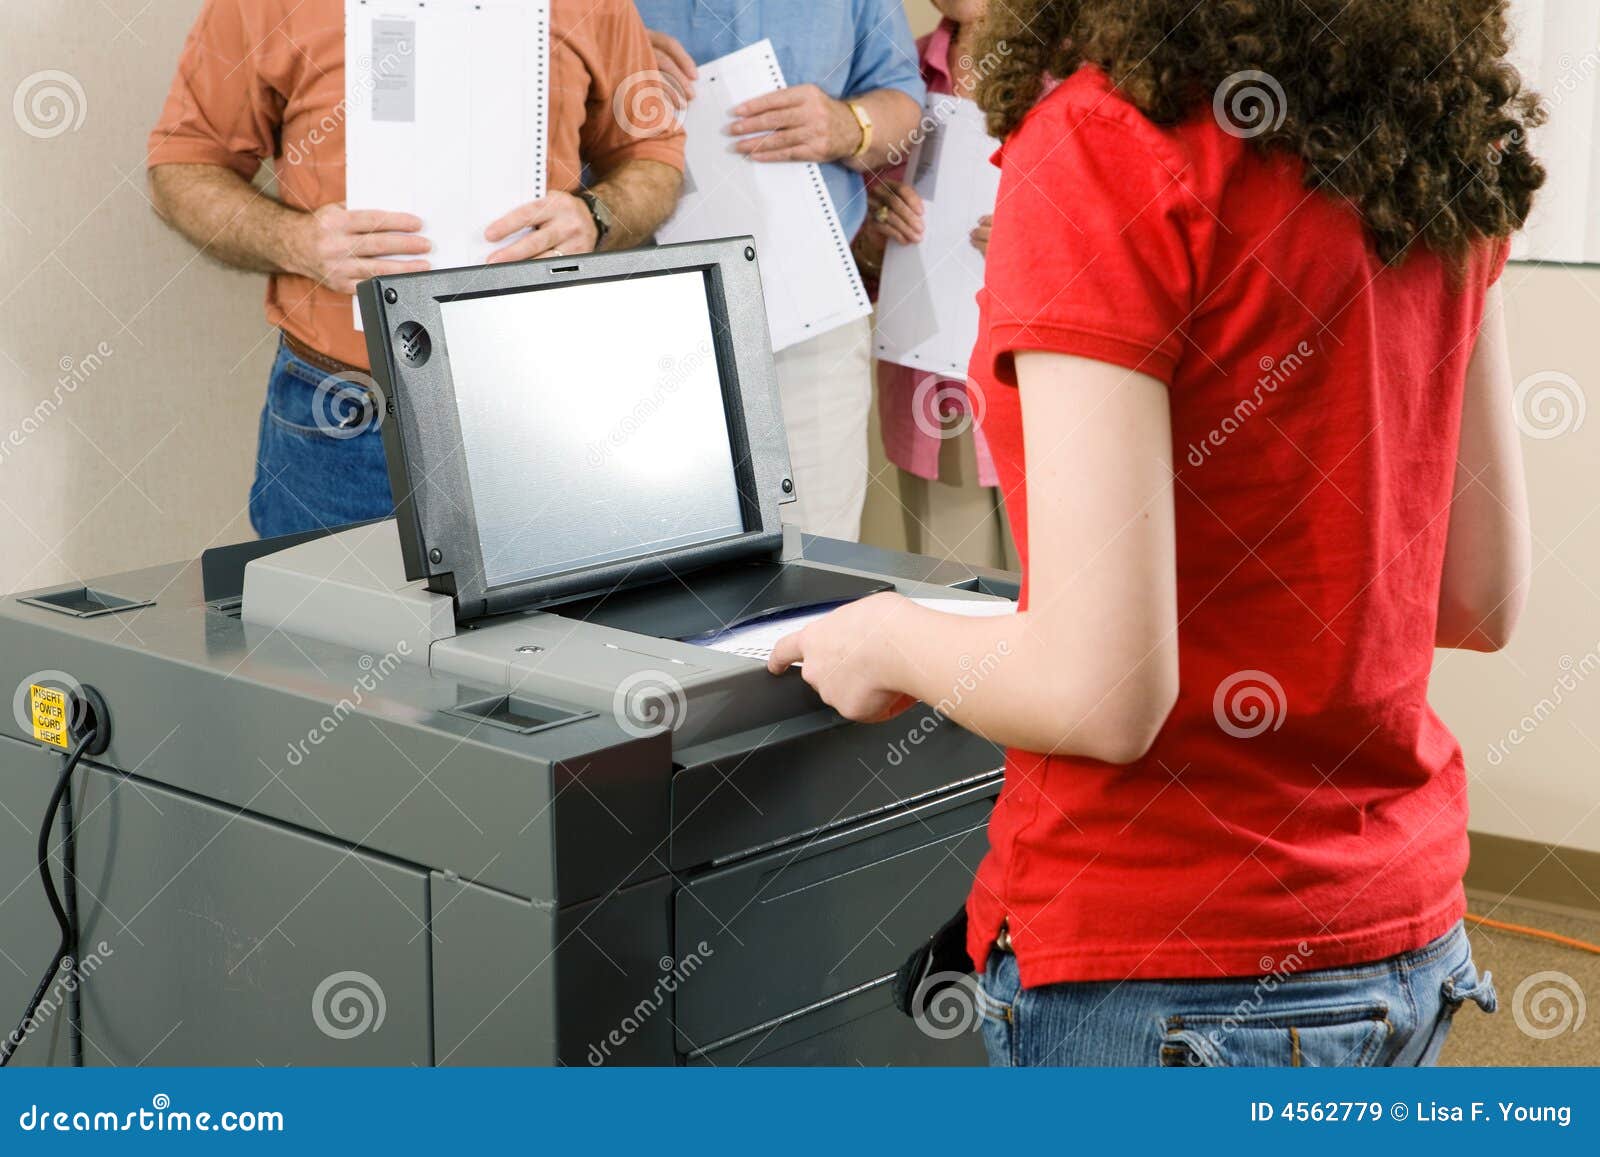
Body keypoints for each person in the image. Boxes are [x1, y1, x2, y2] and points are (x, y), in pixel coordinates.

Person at [769, 0, 1541, 1066]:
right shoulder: (1427, 134)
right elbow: (1480, 596)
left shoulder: (1103, 141)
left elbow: (1102, 692)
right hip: (1400, 937)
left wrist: (884, 635)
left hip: (1167, 960)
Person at [147, 0, 685, 538]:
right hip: (344, 414)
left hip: (542, 401)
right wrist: (296, 241)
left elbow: (652, 153)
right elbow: (183, 163)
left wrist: (596, 217)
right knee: (324, 597)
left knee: (565, 596)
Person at [635, 1, 925, 542]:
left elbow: (904, 98)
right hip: (634, 312)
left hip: (811, 320)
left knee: (814, 556)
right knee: (647, 555)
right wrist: (605, 69)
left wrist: (849, 125)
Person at [854, 0, 1018, 571]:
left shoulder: (1089, 76)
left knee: (1072, 604)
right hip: (933, 393)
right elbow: (856, 252)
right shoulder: (894, 76)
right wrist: (874, 235)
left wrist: (1044, 246)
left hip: (1052, 391)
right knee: (957, 596)